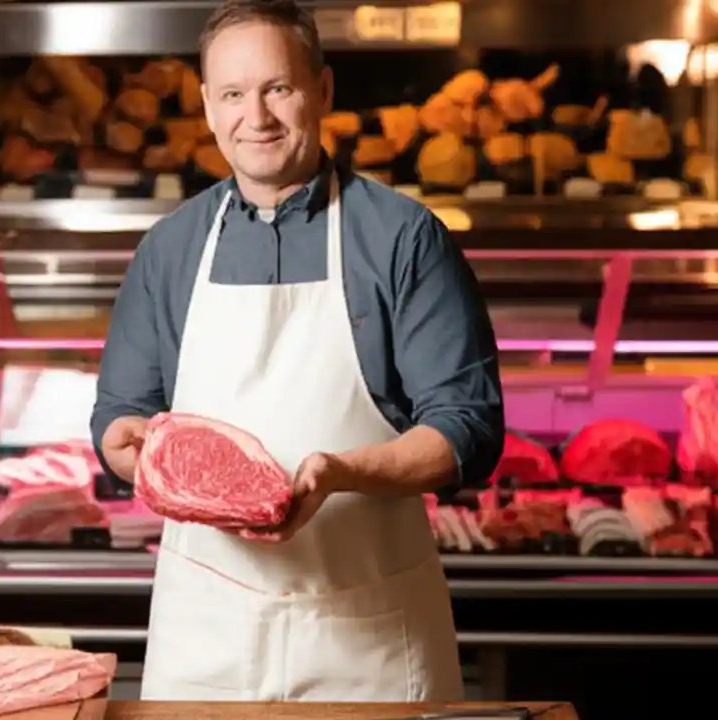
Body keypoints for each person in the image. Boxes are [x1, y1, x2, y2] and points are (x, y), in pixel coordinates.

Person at [88, 0, 505, 704]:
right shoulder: (170, 248)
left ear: (323, 90)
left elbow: (469, 429)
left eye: (278, 88)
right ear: (208, 107)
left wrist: (341, 472)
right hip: (205, 637)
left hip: (368, 634)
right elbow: (120, 414)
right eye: (232, 94)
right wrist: (128, 449)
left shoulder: (404, 238)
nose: (257, 117)